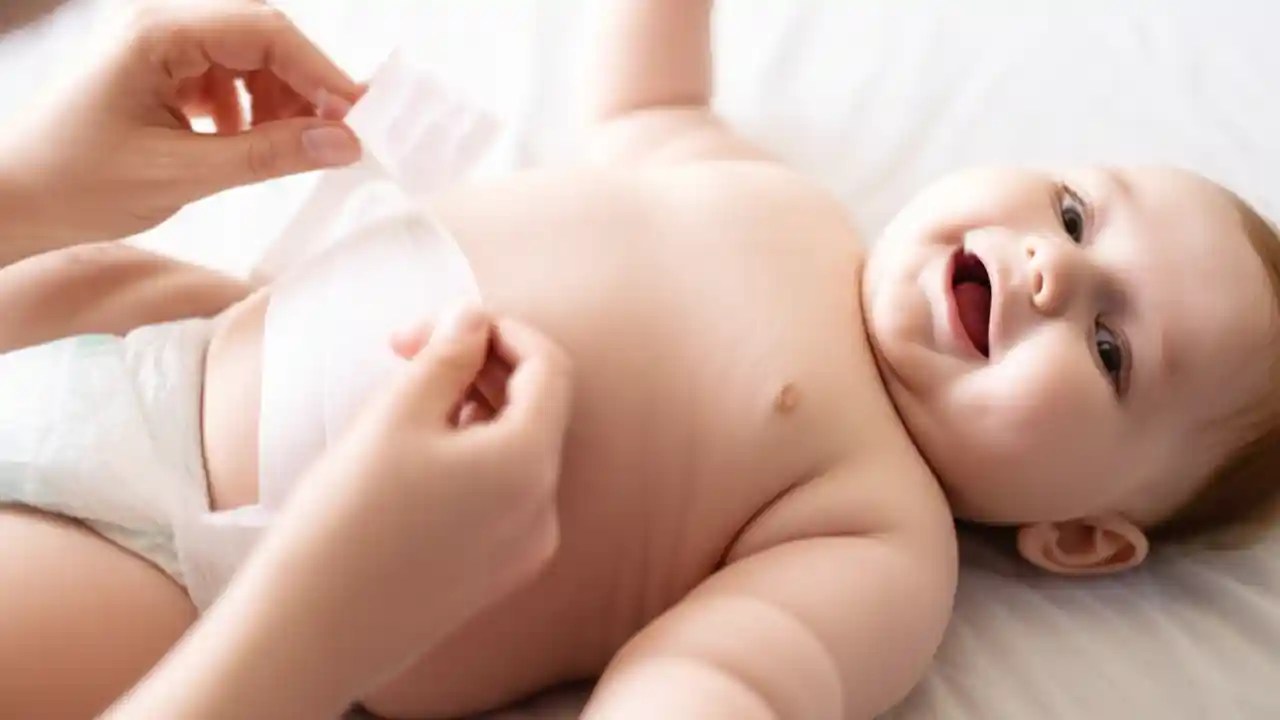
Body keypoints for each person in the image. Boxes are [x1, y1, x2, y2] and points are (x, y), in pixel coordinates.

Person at [2, 1, 1279, 719]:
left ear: (1078, 537)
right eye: (1073, 211)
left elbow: (727, 676)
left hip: (201, 567)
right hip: (176, 333)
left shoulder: (878, 530)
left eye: (1110, 348)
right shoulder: (786, 204)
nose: (1051, 269)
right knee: (74, 273)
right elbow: (648, 102)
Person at [0, 2, 574, 718]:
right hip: (178, 574)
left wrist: (20, 196)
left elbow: (654, 106)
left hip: (144, 343)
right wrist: (317, 626)